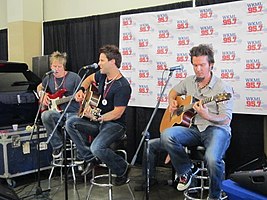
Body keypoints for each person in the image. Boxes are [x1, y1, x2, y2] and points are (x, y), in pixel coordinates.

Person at [161, 44, 234, 200]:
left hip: (216, 129)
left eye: (202, 65)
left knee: (213, 159)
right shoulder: (189, 81)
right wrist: (171, 101)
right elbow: (174, 91)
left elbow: (226, 118)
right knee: (167, 134)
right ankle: (187, 171)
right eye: (195, 65)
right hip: (194, 128)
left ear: (211, 65)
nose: (198, 69)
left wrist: (207, 115)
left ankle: (214, 196)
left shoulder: (222, 87)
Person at [65, 44, 132, 186]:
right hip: (98, 122)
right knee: (70, 122)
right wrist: (82, 89)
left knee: (97, 147)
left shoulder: (123, 86)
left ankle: (122, 168)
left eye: (102, 60)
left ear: (112, 62)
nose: (98, 63)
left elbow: (117, 113)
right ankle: (90, 158)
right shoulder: (102, 75)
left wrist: (97, 118)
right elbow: (88, 79)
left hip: (114, 125)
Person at [37, 51, 81, 158]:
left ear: (64, 66)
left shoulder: (74, 77)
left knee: (72, 121)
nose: (56, 69)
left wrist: (78, 97)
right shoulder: (48, 78)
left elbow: (82, 93)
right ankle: (57, 145)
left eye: (59, 66)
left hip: (73, 112)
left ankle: (81, 153)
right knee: (45, 115)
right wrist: (42, 94)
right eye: (54, 66)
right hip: (58, 113)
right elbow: (40, 86)